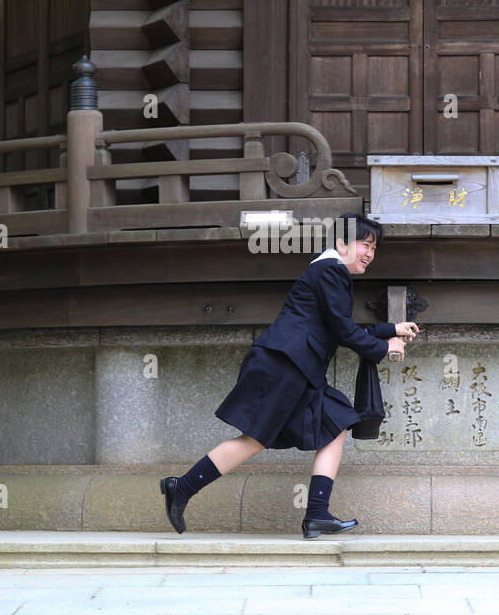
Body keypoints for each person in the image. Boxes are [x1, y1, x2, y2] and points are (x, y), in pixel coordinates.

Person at [160, 213, 420, 539]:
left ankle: (316, 515)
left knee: (334, 424)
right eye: (365, 245)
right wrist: (385, 348)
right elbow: (342, 330)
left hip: (297, 368)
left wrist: (391, 330)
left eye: (374, 248)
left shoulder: (328, 271)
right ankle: (181, 488)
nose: (370, 254)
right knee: (255, 440)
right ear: (341, 242)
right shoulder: (331, 270)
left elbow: (338, 324)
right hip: (285, 365)